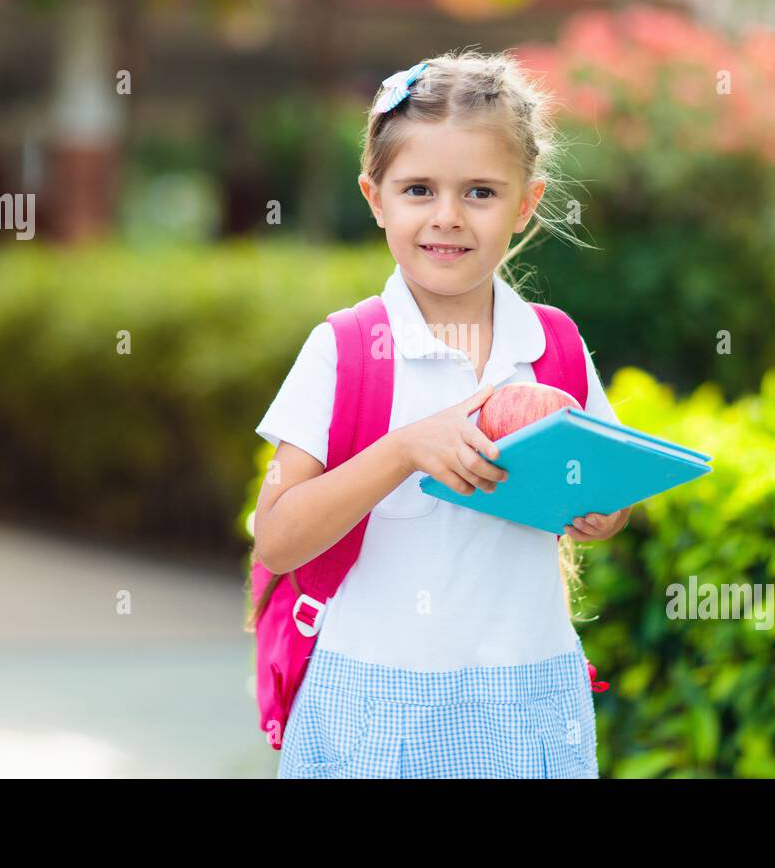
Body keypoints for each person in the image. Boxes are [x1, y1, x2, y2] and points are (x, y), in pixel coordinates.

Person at [251, 49, 630, 778]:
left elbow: (602, 500)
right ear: (375, 197)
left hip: (527, 696)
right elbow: (278, 539)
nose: (447, 217)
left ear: (526, 203)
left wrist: (597, 514)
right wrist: (402, 450)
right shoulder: (346, 350)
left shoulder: (554, 344)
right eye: (419, 189)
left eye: (481, 192)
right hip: (376, 700)